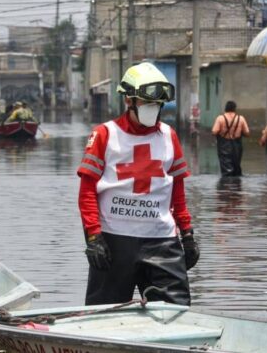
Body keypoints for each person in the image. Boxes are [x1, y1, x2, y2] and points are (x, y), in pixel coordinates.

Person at [76, 62, 200, 306]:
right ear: (128, 100)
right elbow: (87, 192)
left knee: (176, 312)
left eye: (157, 103)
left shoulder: (169, 136)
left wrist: (187, 234)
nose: (153, 108)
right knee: (105, 315)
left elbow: (177, 192)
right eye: (147, 102)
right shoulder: (104, 135)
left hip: (162, 241)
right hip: (114, 241)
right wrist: (93, 237)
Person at [211, 101, 250, 176]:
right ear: (235, 108)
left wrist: (223, 131)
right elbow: (247, 133)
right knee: (236, 165)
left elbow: (214, 132)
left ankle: (227, 181)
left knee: (226, 168)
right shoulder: (241, 118)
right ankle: (237, 181)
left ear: (226, 108)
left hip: (224, 146)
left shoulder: (220, 118)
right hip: (237, 145)